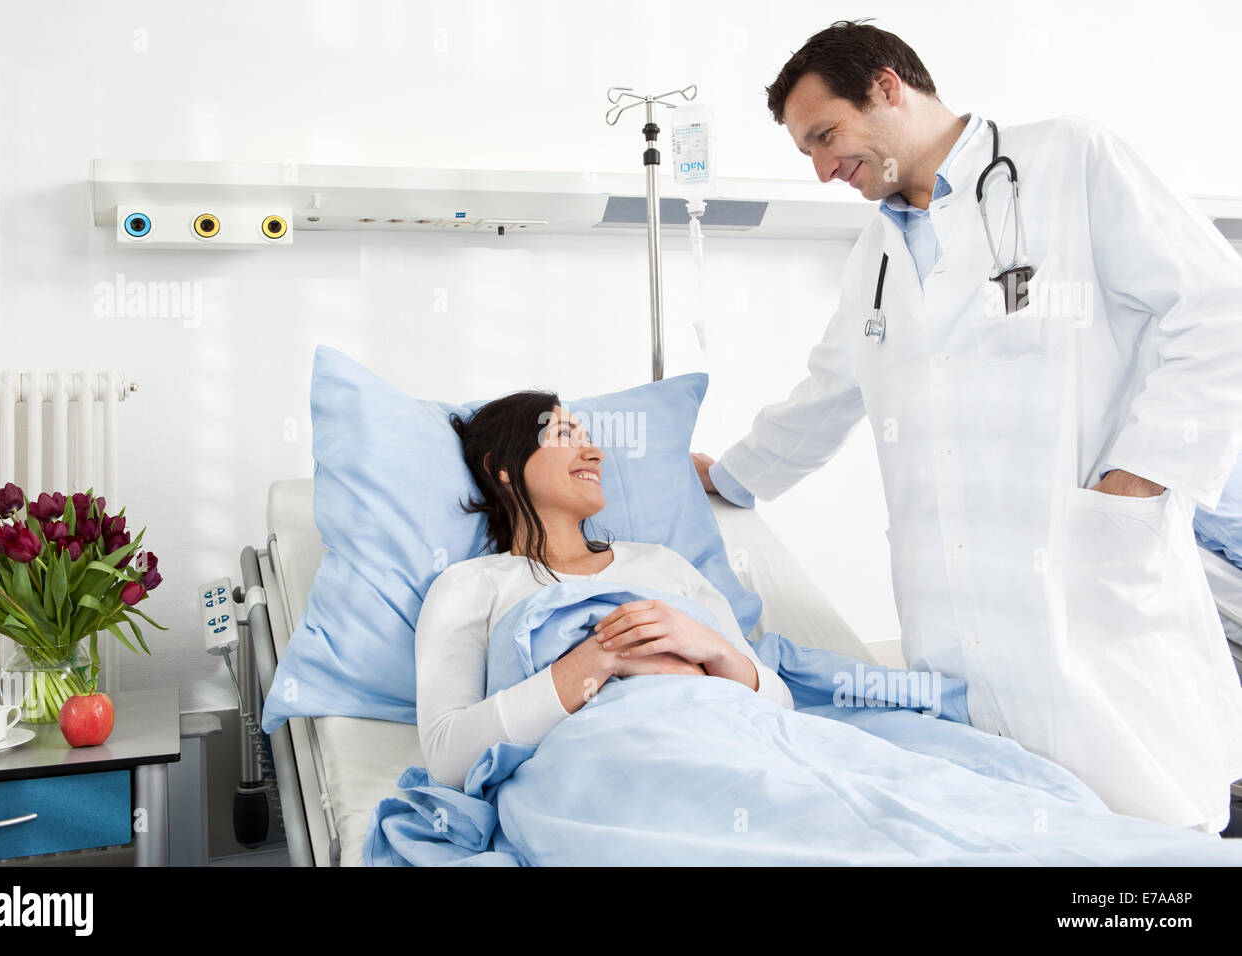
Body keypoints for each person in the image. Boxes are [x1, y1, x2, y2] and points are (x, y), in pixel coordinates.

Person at [693, 19, 1242, 832]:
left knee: (1159, 818)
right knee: (1023, 817)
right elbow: (827, 393)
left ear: (887, 86)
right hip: (953, 608)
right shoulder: (875, 256)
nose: (819, 170)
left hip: (1089, 566)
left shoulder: (1069, 161)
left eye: (825, 136)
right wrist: (729, 477)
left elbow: (1219, 312)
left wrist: (1141, 476)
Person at [416, 390, 792, 790]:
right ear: (502, 467)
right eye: (564, 435)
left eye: (590, 439)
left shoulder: (663, 564)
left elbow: (780, 708)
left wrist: (716, 650)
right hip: (610, 784)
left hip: (739, 757)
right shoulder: (470, 585)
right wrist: (604, 657)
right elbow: (447, 757)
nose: (595, 453)